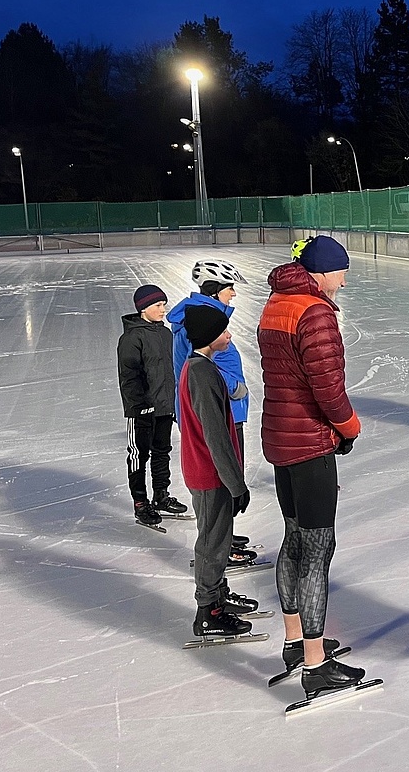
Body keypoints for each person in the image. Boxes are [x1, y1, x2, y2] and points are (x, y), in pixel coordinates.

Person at [258, 235, 367, 696]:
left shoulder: (275, 304)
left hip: (280, 439)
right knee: (319, 549)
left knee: (294, 538)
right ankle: (316, 664)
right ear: (321, 272)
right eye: (340, 270)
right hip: (309, 443)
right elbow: (327, 386)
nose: (344, 279)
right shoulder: (315, 311)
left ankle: (294, 641)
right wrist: (349, 427)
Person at [178, 305, 258, 640]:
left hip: (206, 471)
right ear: (210, 337)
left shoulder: (198, 367)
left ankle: (218, 595)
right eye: (224, 331)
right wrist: (235, 483)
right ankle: (208, 611)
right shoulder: (203, 373)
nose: (229, 335)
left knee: (219, 538)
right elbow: (216, 436)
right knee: (212, 542)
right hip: (210, 473)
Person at [167, 259, 256, 559]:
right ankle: (219, 547)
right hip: (220, 408)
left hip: (228, 409)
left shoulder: (207, 316)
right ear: (215, 289)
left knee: (228, 475)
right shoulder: (200, 323)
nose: (233, 294)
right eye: (230, 288)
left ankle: (224, 537)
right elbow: (197, 368)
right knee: (222, 477)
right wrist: (234, 386)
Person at [116, 284, 187, 528]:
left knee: (162, 451)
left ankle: (161, 495)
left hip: (165, 406)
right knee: (138, 455)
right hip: (142, 410)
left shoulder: (165, 334)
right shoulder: (131, 338)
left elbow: (172, 371)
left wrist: (174, 402)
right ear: (143, 308)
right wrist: (139, 406)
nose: (163, 309)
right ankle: (140, 502)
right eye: (158, 305)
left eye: (163, 304)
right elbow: (129, 377)